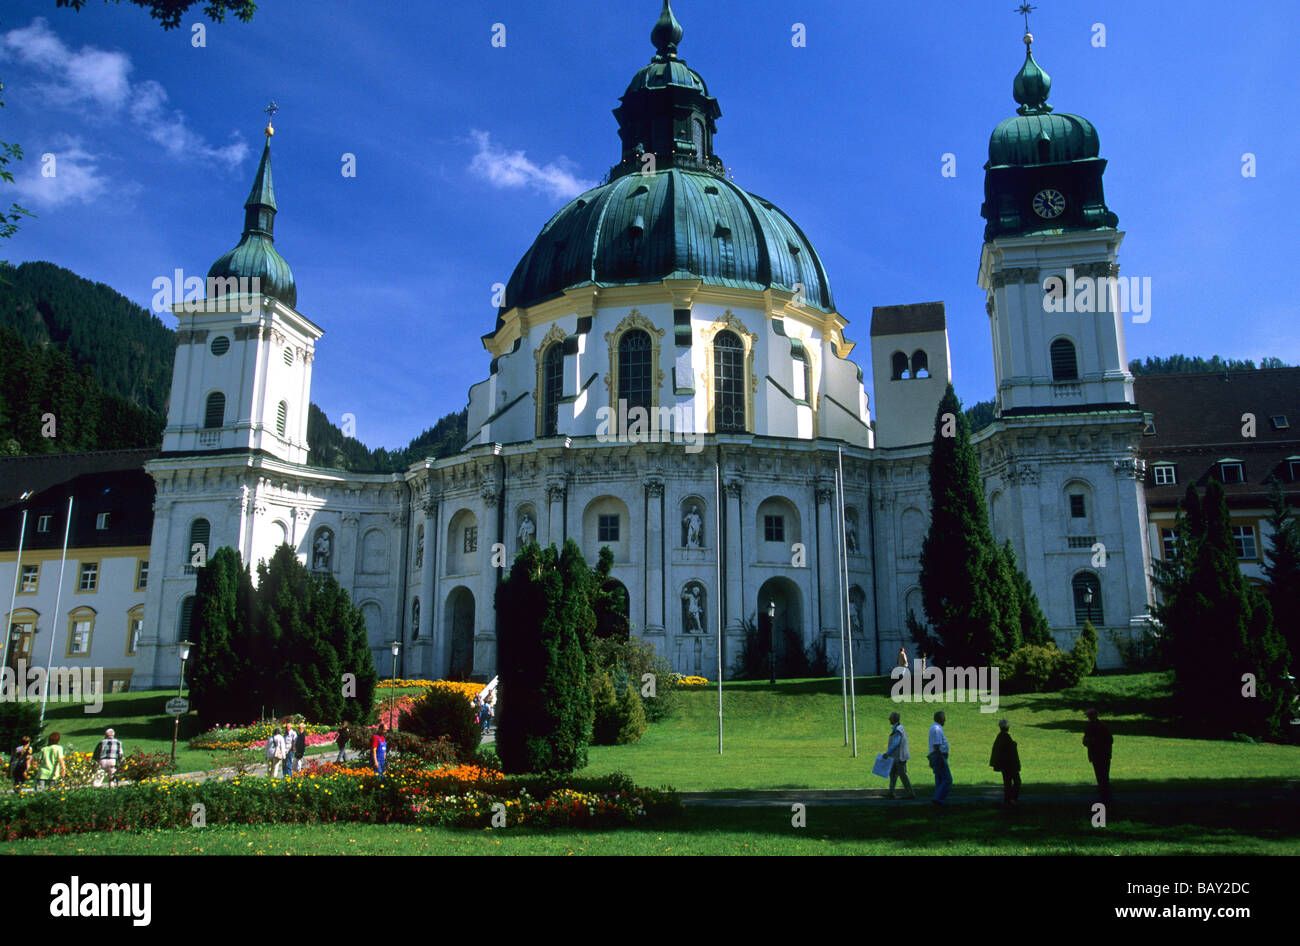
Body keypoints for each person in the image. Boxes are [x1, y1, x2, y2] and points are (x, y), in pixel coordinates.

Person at [1082, 708, 1113, 804]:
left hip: (1102, 754)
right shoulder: (1090, 727)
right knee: (1101, 776)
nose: (1089, 717)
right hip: (1097, 755)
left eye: (1090, 715)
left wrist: (1094, 741)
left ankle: (1105, 797)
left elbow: (1109, 740)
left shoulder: (1101, 726)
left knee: (1102, 776)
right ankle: (1104, 796)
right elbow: (1085, 740)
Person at [882, 711, 915, 799]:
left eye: (890, 717)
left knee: (903, 774)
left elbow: (896, 743)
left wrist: (887, 753)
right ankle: (891, 792)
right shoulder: (897, 728)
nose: (889, 719)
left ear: (894, 719)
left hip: (900, 757)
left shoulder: (898, 729)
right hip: (895, 757)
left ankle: (910, 793)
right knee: (892, 774)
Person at [988, 718, 1021, 805]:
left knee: (1007, 783)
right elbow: (1010, 751)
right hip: (1009, 765)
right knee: (1017, 781)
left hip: (1004, 766)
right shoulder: (1006, 737)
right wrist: (1014, 744)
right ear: (1007, 727)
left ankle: (1008, 800)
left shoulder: (1000, 737)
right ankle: (1012, 799)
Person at [927, 710, 952, 806]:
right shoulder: (937, 729)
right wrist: (941, 759)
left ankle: (936, 799)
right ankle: (938, 800)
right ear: (941, 718)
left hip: (936, 756)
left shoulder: (934, 728)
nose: (945, 719)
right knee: (947, 779)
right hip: (939, 756)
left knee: (940, 780)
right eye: (944, 717)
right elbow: (937, 746)